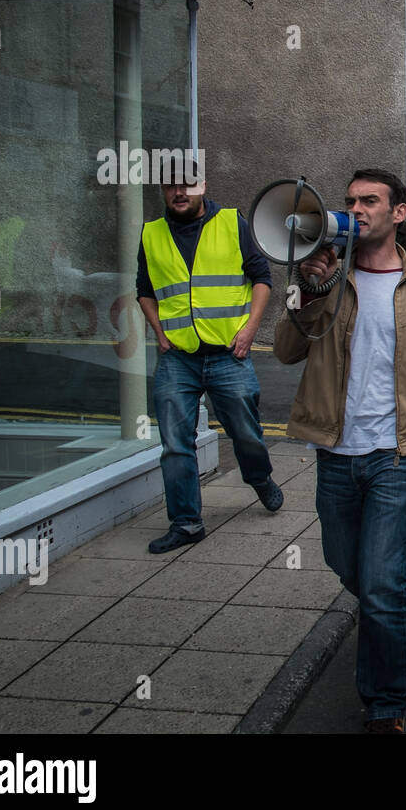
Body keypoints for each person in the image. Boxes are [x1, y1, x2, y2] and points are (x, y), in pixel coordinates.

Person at [274, 168, 406, 733]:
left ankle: (386, 706)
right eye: (350, 201)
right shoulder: (326, 277)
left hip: (397, 455)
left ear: (399, 212)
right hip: (334, 453)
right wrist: (312, 288)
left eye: (369, 200)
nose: (357, 208)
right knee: (347, 566)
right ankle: (384, 618)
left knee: (381, 585)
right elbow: (285, 351)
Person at [136, 178, 280, 554]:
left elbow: (262, 279)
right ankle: (186, 523)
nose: (178, 192)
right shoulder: (151, 234)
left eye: (186, 185)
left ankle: (259, 477)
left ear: (202, 187)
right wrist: (159, 333)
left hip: (228, 352)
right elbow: (145, 290)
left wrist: (250, 330)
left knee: (246, 434)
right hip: (178, 356)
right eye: (169, 186)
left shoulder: (233, 222)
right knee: (175, 443)